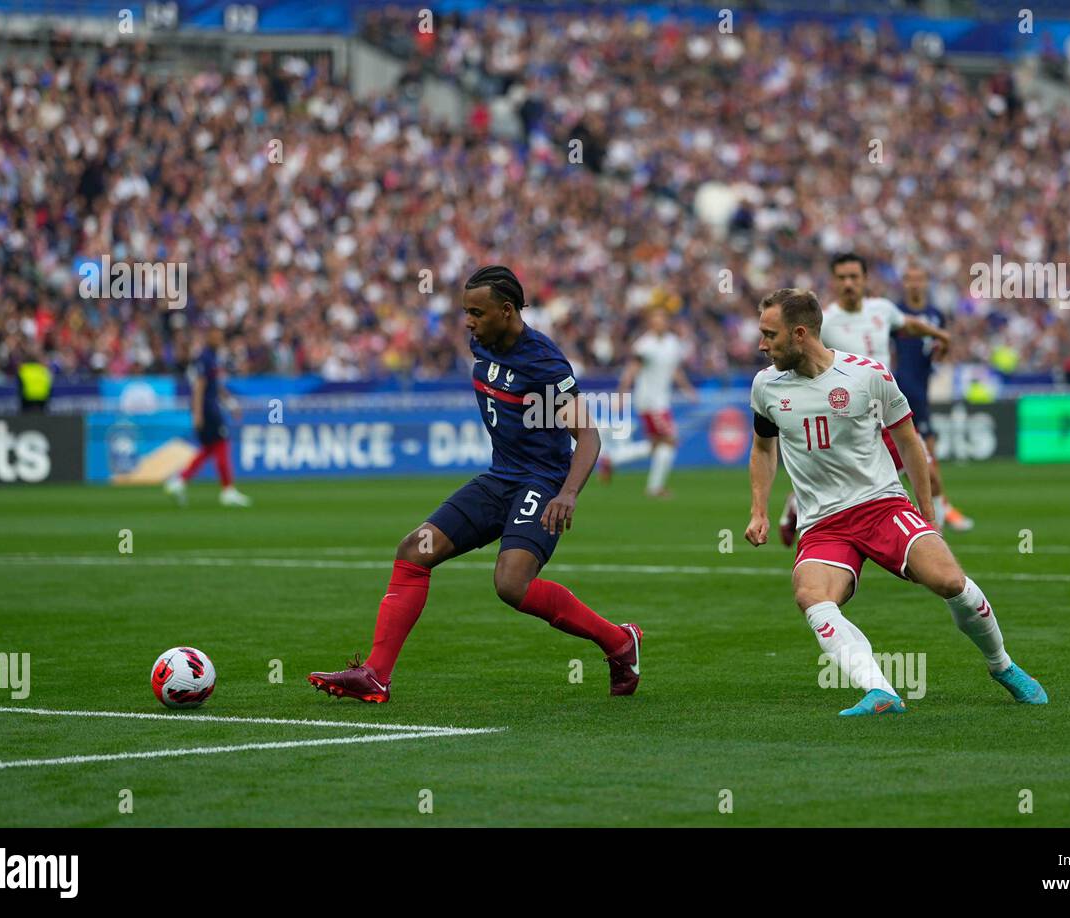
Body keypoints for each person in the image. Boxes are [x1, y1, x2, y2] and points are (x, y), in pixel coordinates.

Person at [308, 265, 642, 702]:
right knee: (414, 549)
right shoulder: (482, 343)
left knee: (511, 584)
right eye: (466, 312)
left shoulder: (543, 361)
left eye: (476, 313)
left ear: (507, 311)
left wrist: (568, 494)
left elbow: (588, 434)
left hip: (541, 483)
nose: (468, 321)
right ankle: (376, 674)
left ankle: (618, 642)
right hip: (500, 478)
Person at [745, 288, 1046, 716]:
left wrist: (926, 513)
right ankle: (880, 691)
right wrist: (758, 508)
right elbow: (761, 449)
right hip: (823, 524)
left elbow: (908, 439)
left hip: (882, 507)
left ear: (799, 334)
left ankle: (1002, 666)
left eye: (769, 334)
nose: (761, 344)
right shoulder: (766, 386)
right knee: (811, 595)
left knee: (949, 582)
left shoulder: (868, 375)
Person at [776, 252, 950, 545]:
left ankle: (935, 546)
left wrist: (941, 335)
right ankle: (797, 502)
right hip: (846, 421)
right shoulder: (825, 323)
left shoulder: (882, 309)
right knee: (841, 489)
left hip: (887, 418)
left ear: (865, 279)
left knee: (930, 477)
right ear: (833, 281)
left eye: (854, 277)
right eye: (842, 277)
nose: (848, 283)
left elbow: (908, 324)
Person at [896, 262, 974, 531]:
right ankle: (936, 512)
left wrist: (942, 350)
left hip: (922, 390)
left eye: (919, 278)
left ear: (926, 282)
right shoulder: (895, 314)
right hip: (898, 392)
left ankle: (937, 510)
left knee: (928, 454)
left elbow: (937, 355)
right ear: (904, 283)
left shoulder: (935, 315)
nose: (914, 283)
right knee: (914, 458)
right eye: (909, 278)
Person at [600, 305, 696, 497]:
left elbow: (674, 369)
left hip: (662, 401)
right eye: (655, 319)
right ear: (650, 323)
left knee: (656, 445)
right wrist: (621, 394)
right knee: (669, 441)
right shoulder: (644, 345)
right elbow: (631, 370)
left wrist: (687, 389)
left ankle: (612, 458)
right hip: (649, 401)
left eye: (662, 318)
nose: (659, 322)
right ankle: (655, 488)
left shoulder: (672, 342)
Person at [164, 323, 252, 508]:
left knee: (210, 449)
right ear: (210, 335)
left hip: (210, 408)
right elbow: (200, 386)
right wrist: (197, 413)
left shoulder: (210, 357)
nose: (220, 338)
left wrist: (231, 403)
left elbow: (215, 385)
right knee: (221, 444)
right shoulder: (205, 358)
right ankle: (227, 490)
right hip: (208, 410)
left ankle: (180, 481)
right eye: (217, 334)